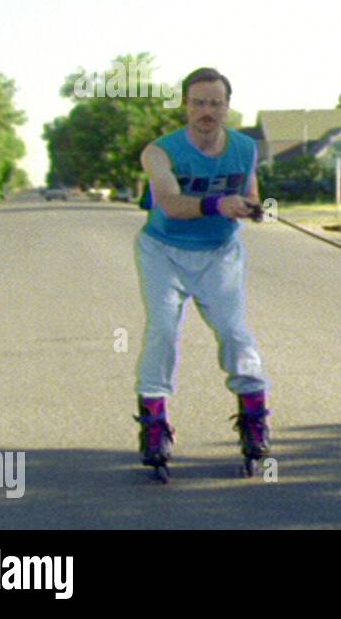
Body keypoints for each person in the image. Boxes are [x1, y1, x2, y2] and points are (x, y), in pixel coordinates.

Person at [132, 67, 271, 476]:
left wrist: (251, 208)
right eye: (199, 103)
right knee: (162, 328)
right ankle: (154, 424)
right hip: (164, 251)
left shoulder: (245, 148)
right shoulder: (159, 152)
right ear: (186, 105)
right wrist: (216, 205)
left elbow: (250, 195)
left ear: (228, 107)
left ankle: (254, 419)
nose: (207, 111)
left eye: (215, 103)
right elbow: (170, 204)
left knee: (234, 331)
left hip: (220, 252)